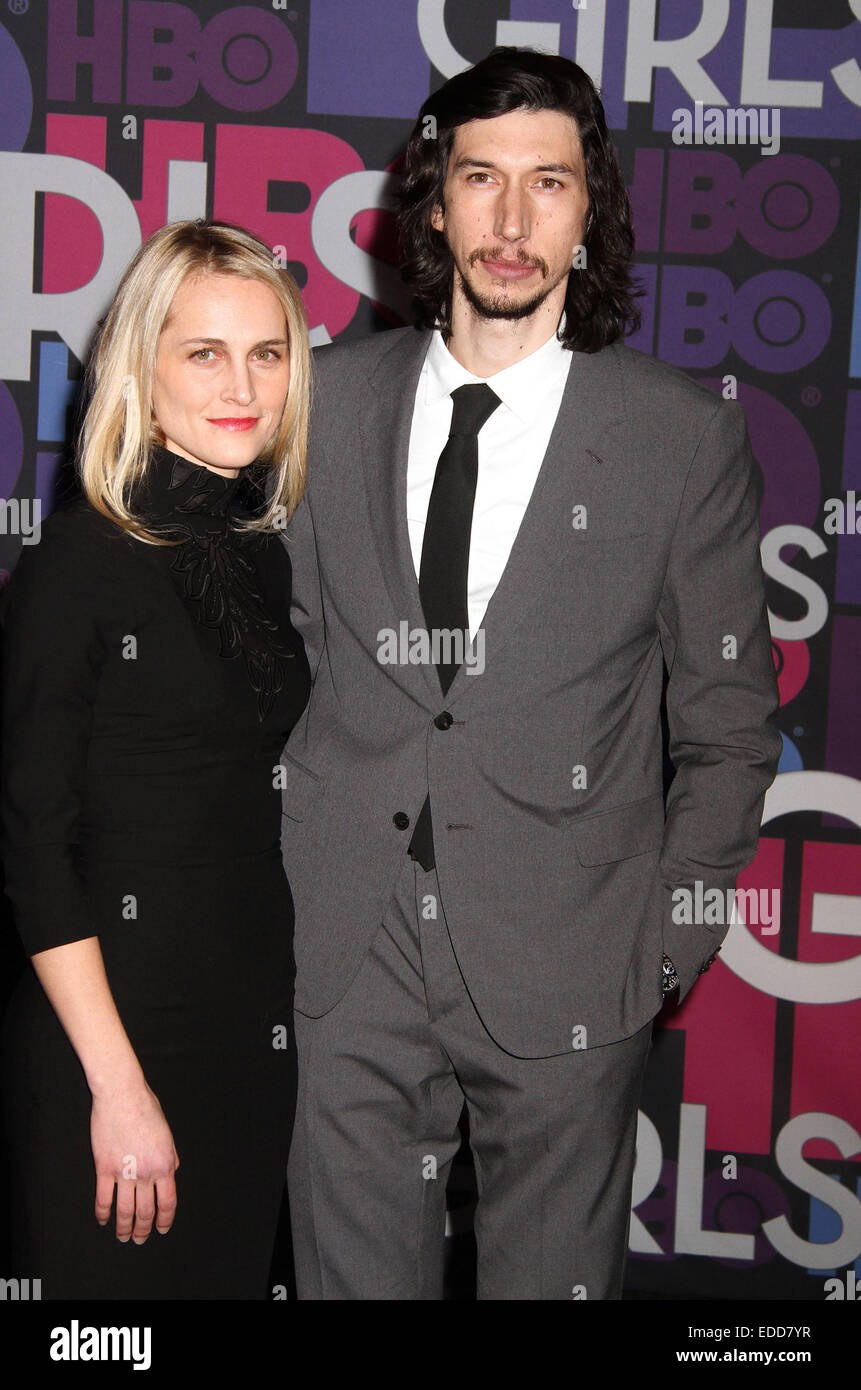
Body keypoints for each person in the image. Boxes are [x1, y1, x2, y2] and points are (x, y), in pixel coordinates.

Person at [280, 47, 782, 1301]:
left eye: (547, 183)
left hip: (577, 957)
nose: (510, 222)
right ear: (433, 203)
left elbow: (729, 724)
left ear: (589, 208)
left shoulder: (679, 435)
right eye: (480, 178)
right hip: (348, 951)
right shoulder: (318, 402)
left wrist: (667, 945)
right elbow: (267, 666)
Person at [0, 220, 311, 1299]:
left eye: (268, 353)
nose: (243, 385)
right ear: (143, 365)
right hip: (114, 1035)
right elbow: (33, 846)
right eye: (204, 353)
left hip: (249, 1029)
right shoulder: (80, 563)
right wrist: (117, 1084)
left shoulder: (261, 554)